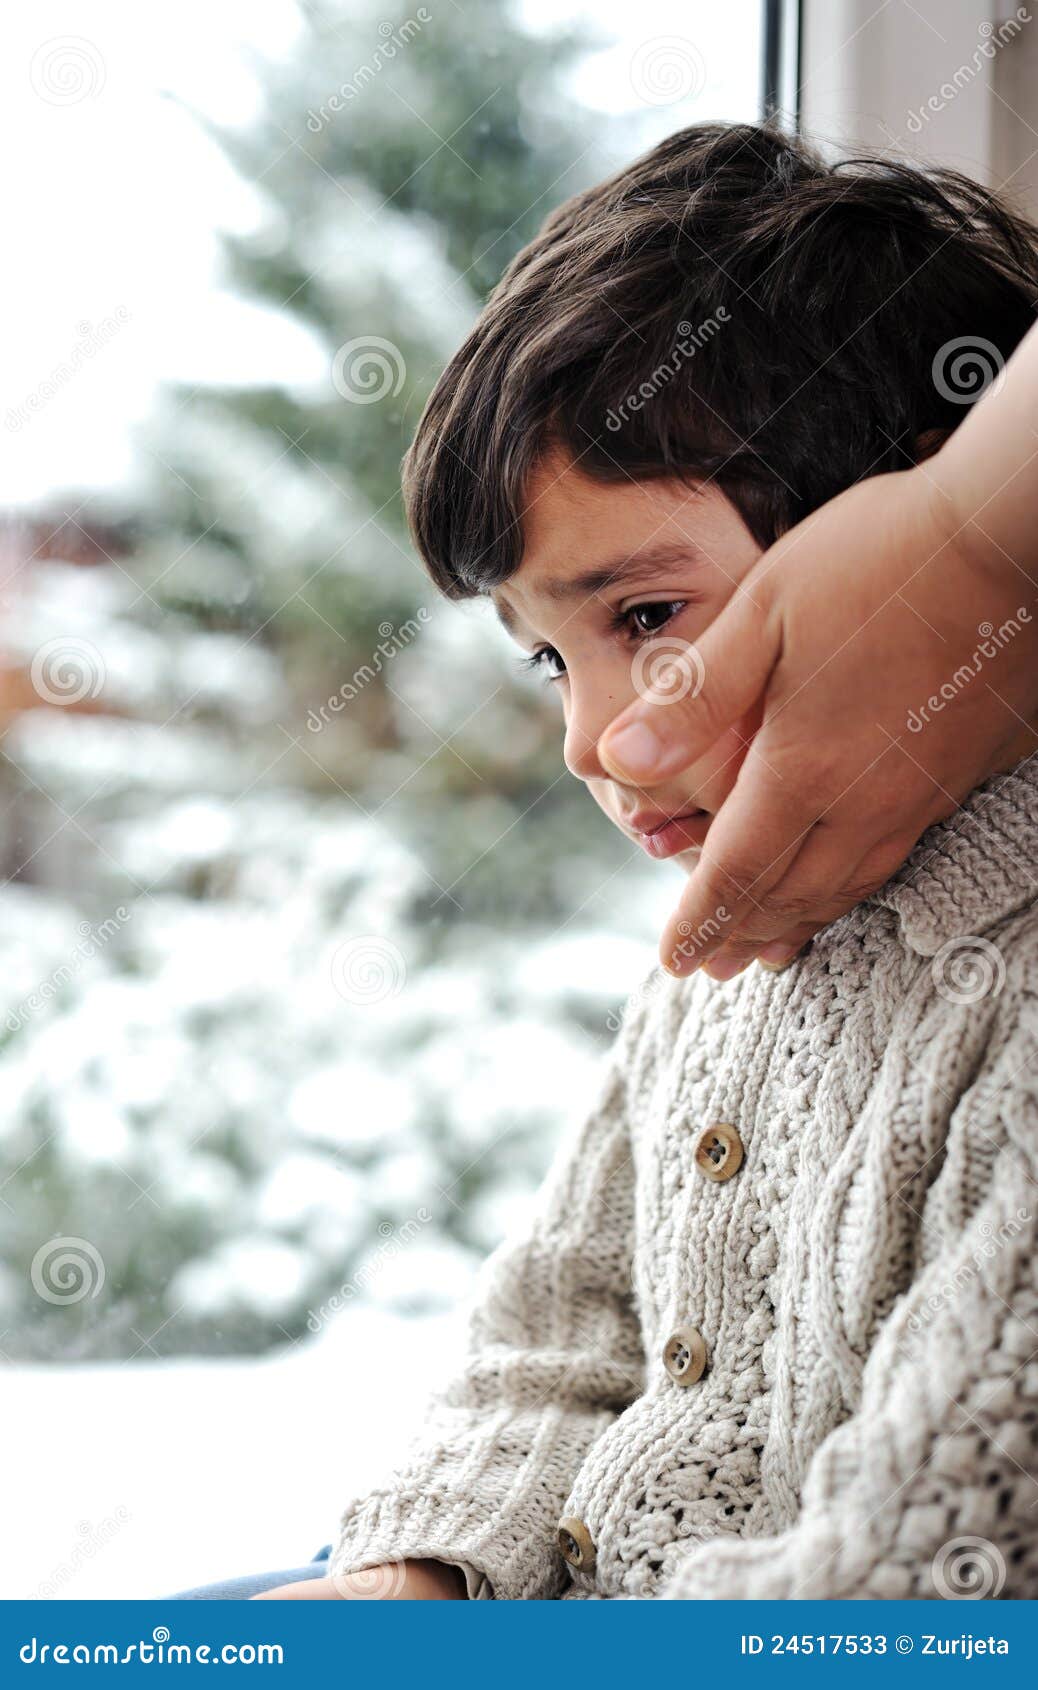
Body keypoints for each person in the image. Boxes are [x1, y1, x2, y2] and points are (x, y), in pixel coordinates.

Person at [178, 122, 1038, 1600]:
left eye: (643, 617)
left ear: (900, 523)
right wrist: (414, 1583)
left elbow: (914, 1568)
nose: (588, 741)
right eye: (542, 661)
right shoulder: (719, 958)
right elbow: (557, 1342)